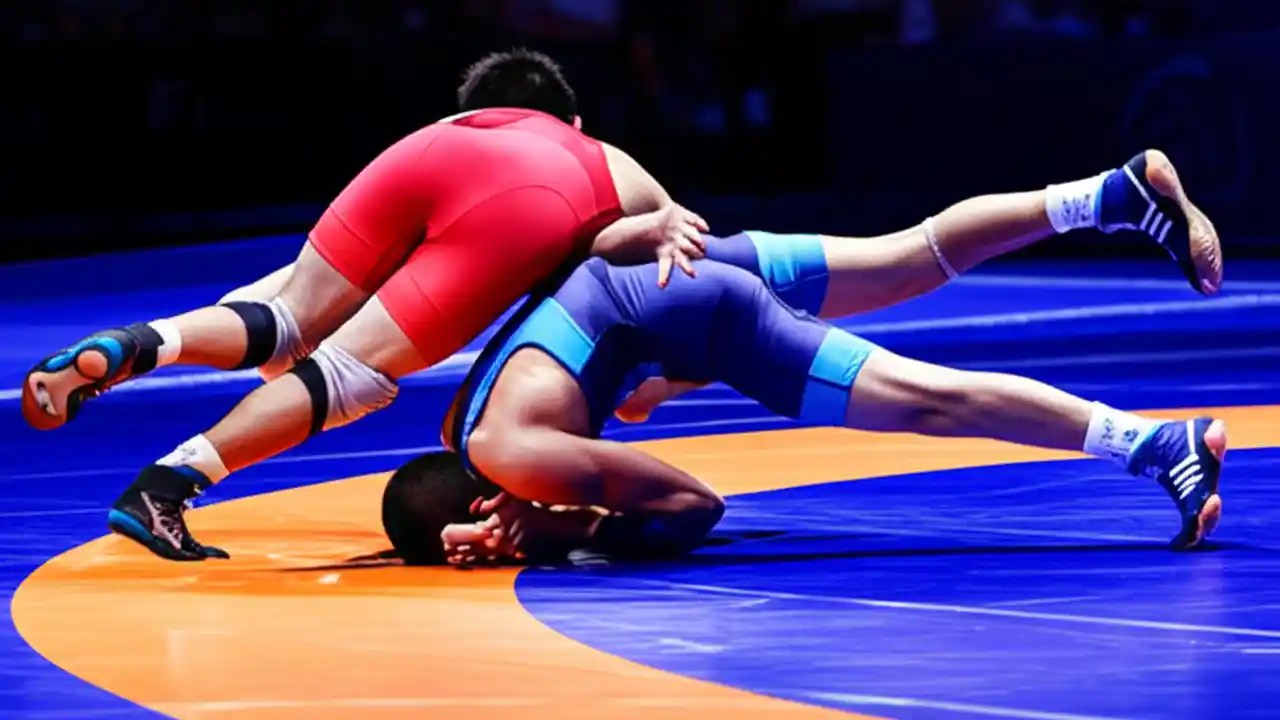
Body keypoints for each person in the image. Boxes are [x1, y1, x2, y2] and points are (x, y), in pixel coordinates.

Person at [380, 149, 1226, 566]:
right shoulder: (472, 417)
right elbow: (592, 334)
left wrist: (564, 530)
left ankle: (1153, 446)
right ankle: (1106, 196)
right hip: (668, 272)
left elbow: (692, 506)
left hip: (700, 306)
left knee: (931, 400)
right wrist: (656, 381)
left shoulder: (511, 455)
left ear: (485, 505)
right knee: (911, 254)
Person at [20, 49, 709, 561]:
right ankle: (164, 487)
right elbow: (695, 269)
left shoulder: (451, 125)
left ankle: (142, 343)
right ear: (574, 119)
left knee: (287, 319)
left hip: (414, 160)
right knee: (352, 374)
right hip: (535, 197)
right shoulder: (598, 156)